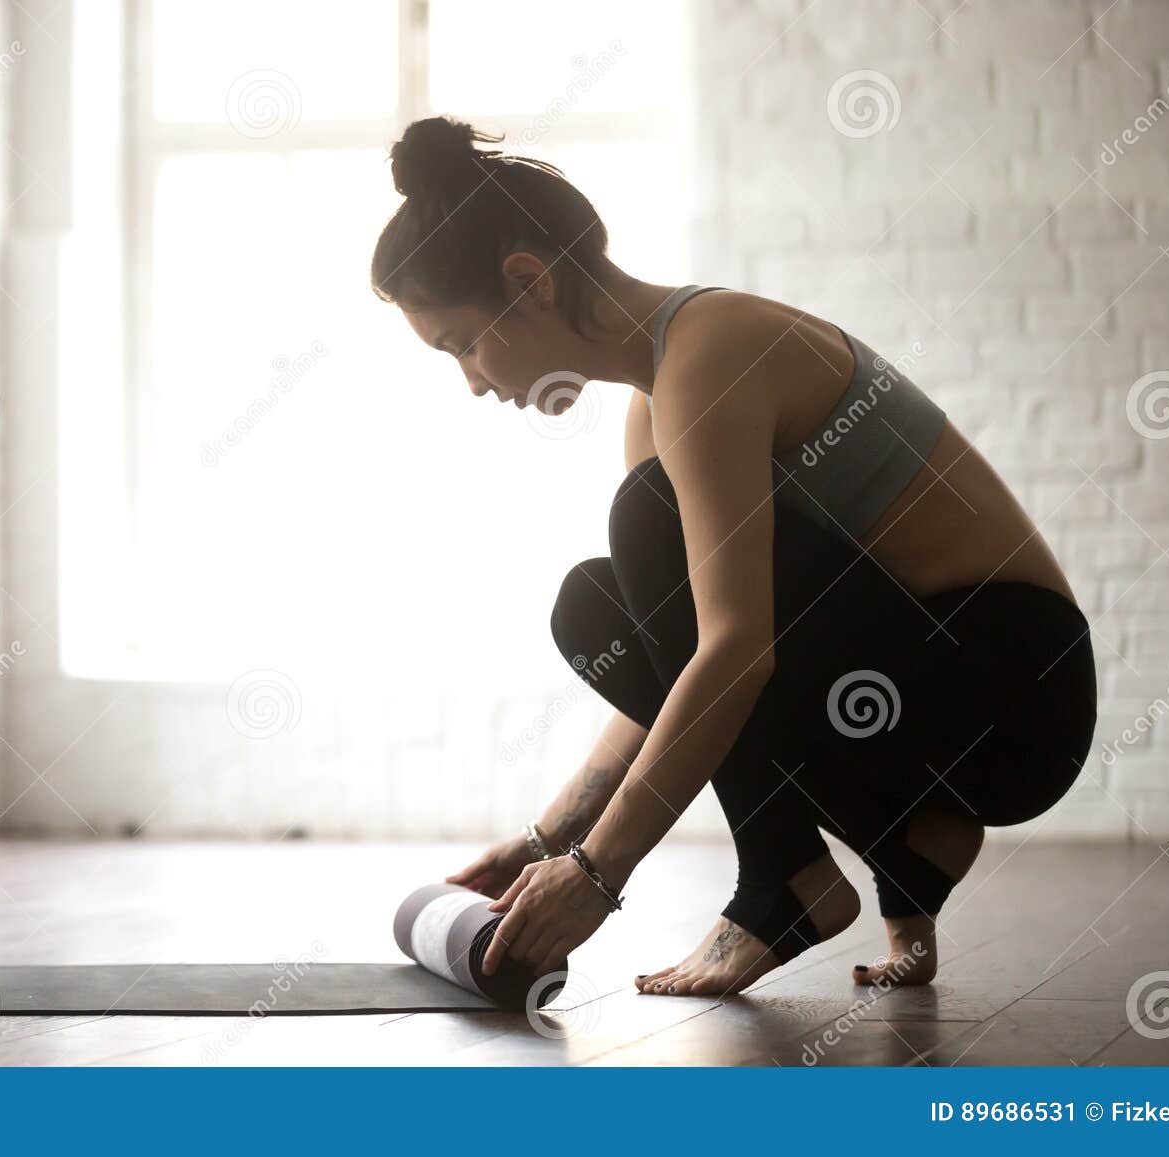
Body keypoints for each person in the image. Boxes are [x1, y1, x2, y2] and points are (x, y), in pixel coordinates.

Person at [370, 116, 1098, 996]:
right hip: (914, 691)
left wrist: (599, 876)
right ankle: (900, 837)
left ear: (529, 282)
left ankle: (783, 883)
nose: (476, 383)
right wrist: (547, 841)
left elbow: (735, 647)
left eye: (463, 344)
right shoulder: (661, 396)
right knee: (596, 604)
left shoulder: (711, 357)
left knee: (645, 523)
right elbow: (683, 648)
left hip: (1014, 692)